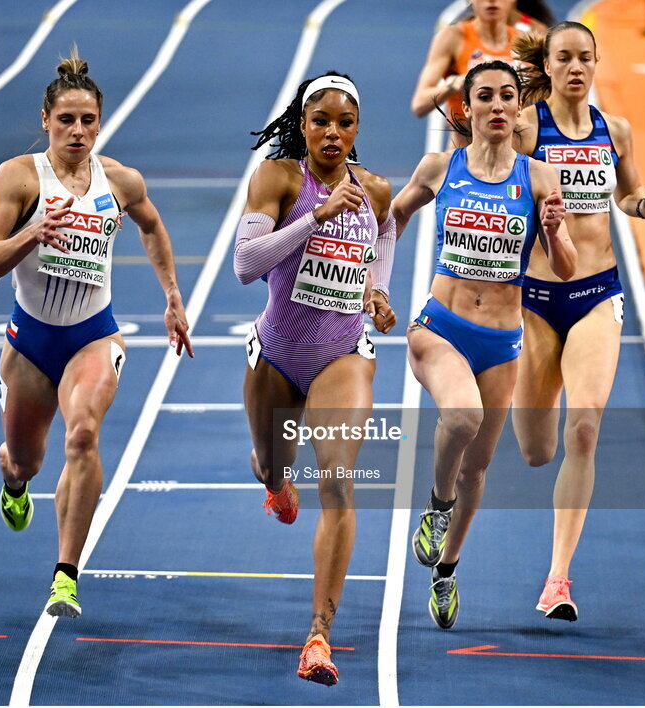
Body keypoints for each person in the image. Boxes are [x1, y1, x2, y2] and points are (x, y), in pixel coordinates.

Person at [0, 50, 193, 619]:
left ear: (100, 122)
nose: (77, 131)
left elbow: (152, 225)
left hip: (94, 335)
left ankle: (65, 575)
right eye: (66, 119)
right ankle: (14, 483)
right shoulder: (19, 177)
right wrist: (32, 234)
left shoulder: (120, 179)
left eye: (88, 121)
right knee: (25, 461)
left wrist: (172, 296)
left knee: (84, 435)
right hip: (30, 342)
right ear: (45, 119)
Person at [392, 60, 576, 629]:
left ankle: (445, 570)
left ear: (518, 110)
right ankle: (436, 505)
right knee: (463, 416)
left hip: (502, 342)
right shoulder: (439, 168)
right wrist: (375, 288)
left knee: (478, 468)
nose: (499, 106)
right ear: (467, 109)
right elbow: (391, 218)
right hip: (439, 329)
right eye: (486, 98)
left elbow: (566, 268)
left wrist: (550, 230)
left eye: (507, 98)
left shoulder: (540, 178)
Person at [511, 22, 645, 621]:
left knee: (584, 429)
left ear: (596, 62)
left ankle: (557, 579)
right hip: (533, 301)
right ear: (551, 66)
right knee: (535, 449)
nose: (576, 67)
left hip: (595, 294)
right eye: (565, 58)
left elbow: (628, 195)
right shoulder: (528, 127)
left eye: (586, 57)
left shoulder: (617, 131)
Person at [234, 72, 396, 684]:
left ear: (357, 131)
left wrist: (379, 294)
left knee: (339, 483)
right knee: (272, 466)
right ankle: (275, 482)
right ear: (302, 125)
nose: (333, 132)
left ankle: (318, 638)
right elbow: (244, 265)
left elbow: (383, 243)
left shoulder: (375, 190)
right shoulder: (277, 179)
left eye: (345, 123)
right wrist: (315, 217)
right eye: (321, 120)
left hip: (343, 354)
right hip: (275, 354)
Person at [411, 0, 546, 148]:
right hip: (464, 151)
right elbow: (420, 104)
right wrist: (452, 85)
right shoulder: (453, 37)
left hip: (514, 154)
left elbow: (552, 100)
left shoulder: (528, 41)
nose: (492, 1)